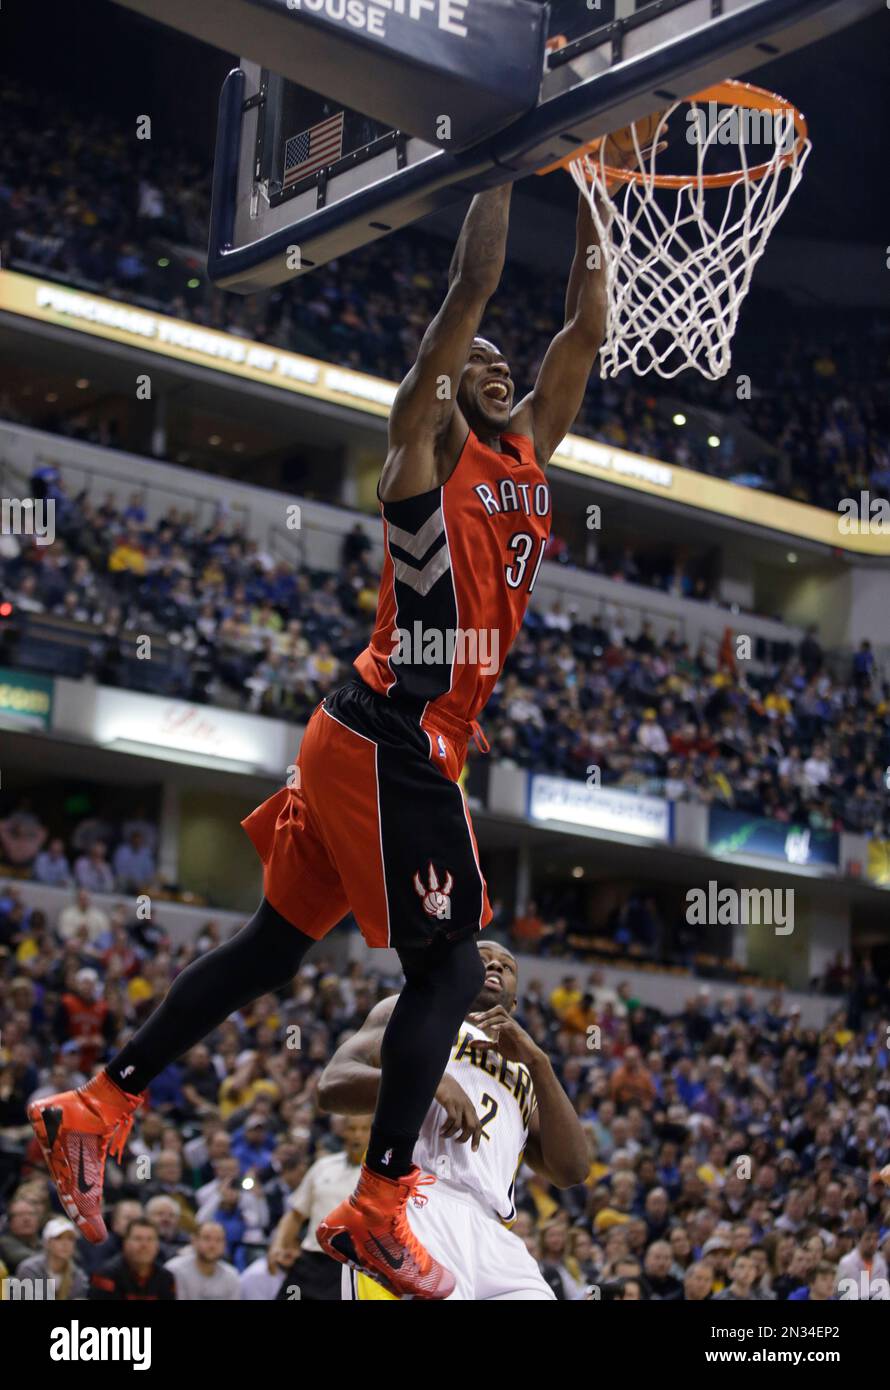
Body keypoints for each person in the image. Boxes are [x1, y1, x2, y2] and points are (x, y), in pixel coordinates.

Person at [28, 175, 618, 1301]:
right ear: (442, 393)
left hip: (371, 740)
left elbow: (584, 326)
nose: (497, 367)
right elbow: (470, 287)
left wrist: (592, 181)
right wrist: (505, 158)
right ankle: (380, 1201)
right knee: (448, 962)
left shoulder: (530, 454)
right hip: (391, 732)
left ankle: (101, 1099)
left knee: (270, 946)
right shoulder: (420, 456)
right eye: (476, 364)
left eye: (506, 364)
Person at [326, 942, 588, 1300]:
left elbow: (571, 1170)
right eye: (482, 959)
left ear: (513, 1004)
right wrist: (429, 1080)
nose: (494, 967)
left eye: (506, 966)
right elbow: (331, 1087)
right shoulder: (410, 1011)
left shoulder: (526, 1065)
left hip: (495, 1233)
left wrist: (540, 1064)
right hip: (414, 1205)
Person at [268, 1116, 371, 1302]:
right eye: (352, 1128)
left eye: (364, 1129)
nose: (358, 1135)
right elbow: (296, 1214)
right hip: (310, 1261)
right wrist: (278, 1246)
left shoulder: (380, 1176)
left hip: (352, 1267)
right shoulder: (323, 1166)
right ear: (343, 1132)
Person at [89, 1217, 176, 1300]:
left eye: (150, 1239)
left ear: (158, 1245)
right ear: (125, 1243)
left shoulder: (166, 1278)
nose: (144, 1245)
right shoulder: (105, 1276)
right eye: (138, 1239)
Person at [16, 1216, 88, 1300]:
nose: (65, 1244)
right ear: (47, 1243)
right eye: (58, 1238)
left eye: (70, 1239)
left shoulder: (78, 1276)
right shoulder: (29, 1269)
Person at [165, 1221, 241, 1300]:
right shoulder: (174, 1270)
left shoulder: (232, 1275)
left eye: (218, 1240)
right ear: (194, 1241)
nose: (212, 1245)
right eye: (207, 1238)